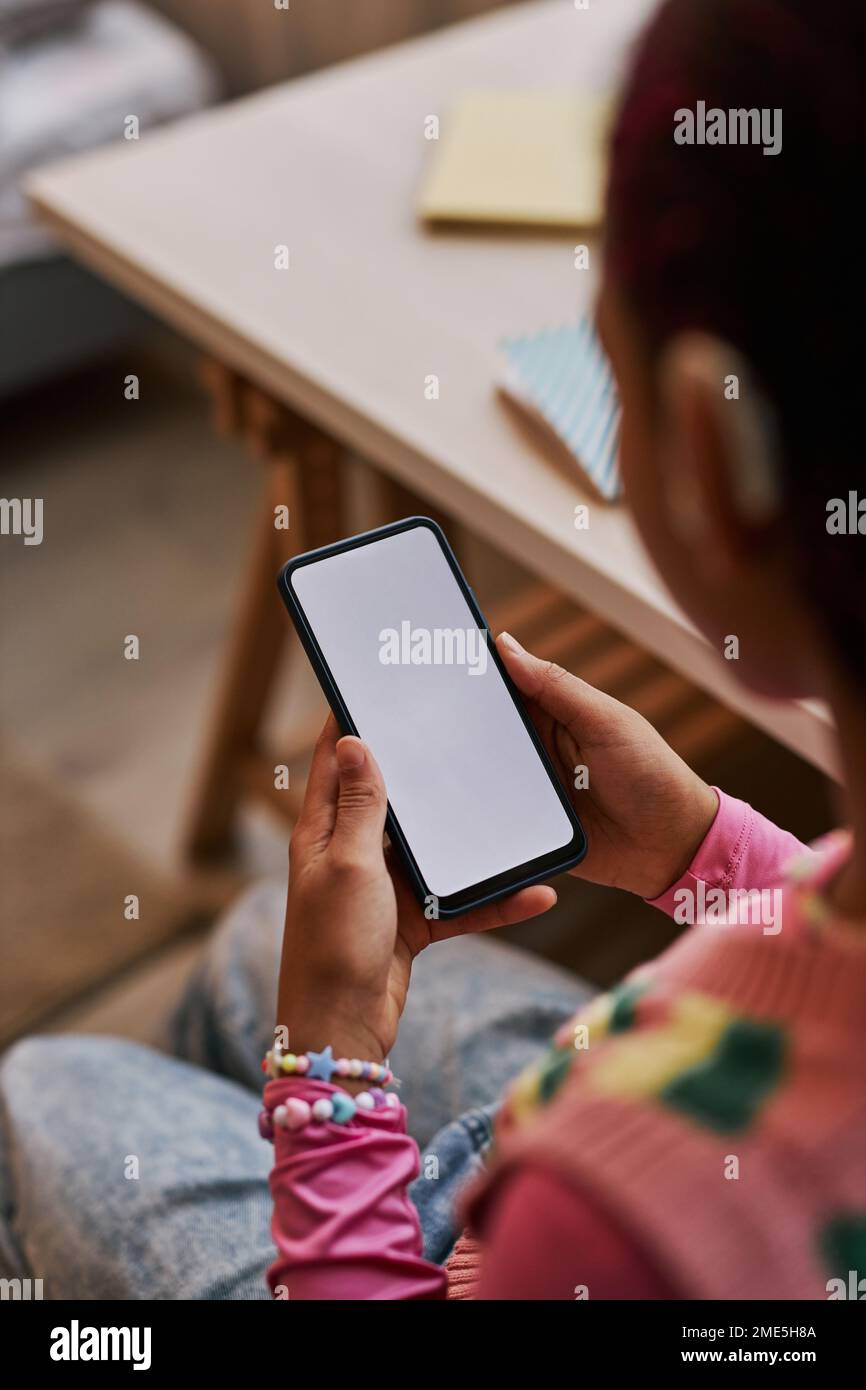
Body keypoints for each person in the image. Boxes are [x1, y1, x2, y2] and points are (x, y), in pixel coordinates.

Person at [2, 0, 864, 1299]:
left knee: (49, 1081)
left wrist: (330, 1069)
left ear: (707, 458)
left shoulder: (616, 1214)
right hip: (578, 1115)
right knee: (252, 943)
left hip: (502, 1237)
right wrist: (705, 851)